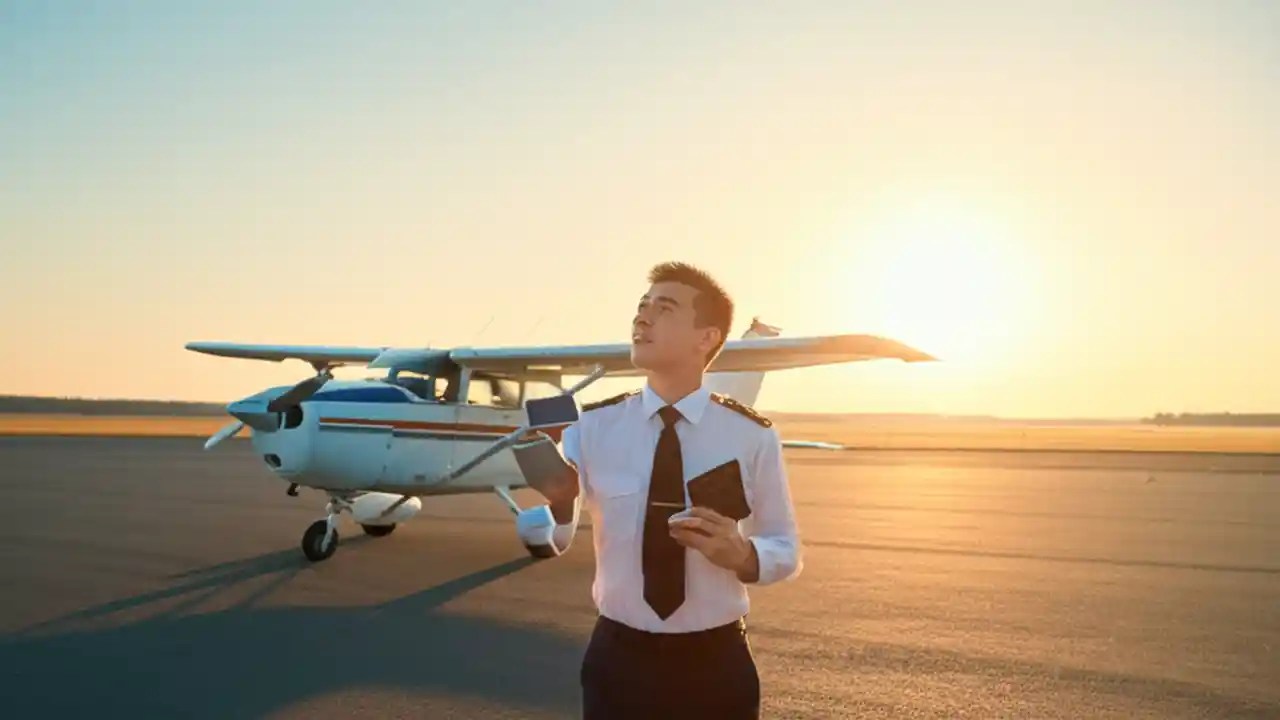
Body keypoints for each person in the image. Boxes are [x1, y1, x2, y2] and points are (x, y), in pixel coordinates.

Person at [559, 261, 802, 719]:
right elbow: (555, 536)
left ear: (706, 337)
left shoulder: (751, 435)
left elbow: (786, 548)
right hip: (617, 659)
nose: (642, 318)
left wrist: (743, 556)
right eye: (641, 307)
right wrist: (553, 500)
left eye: (664, 309)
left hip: (714, 664)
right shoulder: (590, 428)